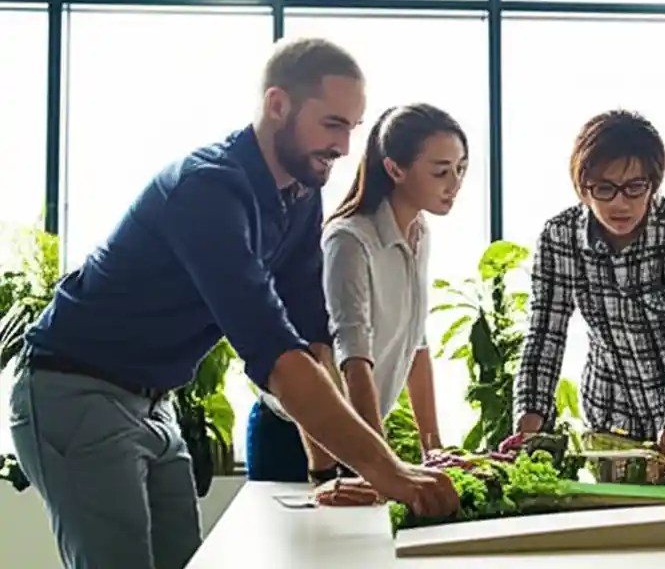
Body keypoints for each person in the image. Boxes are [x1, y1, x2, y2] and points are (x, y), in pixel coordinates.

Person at [8, 38, 459, 569]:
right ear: (277, 105)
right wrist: (391, 473)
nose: (342, 147)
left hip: (155, 402)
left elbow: (311, 342)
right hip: (73, 389)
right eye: (332, 124)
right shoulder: (208, 190)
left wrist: (331, 475)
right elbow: (276, 358)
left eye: (352, 130)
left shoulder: (300, 193)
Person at [247, 103, 468, 490]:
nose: (455, 183)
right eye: (441, 171)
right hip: (301, 436)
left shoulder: (420, 233)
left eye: (461, 168)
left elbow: (416, 345)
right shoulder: (350, 238)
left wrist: (433, 452)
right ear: (396, 169)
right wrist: (381, 467)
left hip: (360, 436)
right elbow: (353, 358)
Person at [513, 109, 665, 466]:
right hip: (612, 423)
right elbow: (545, 334)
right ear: (583, 187)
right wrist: (529, 424)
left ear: (654, 182)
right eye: (604, 189)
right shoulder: (560, 236)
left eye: (635, 187)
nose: (620, 203)